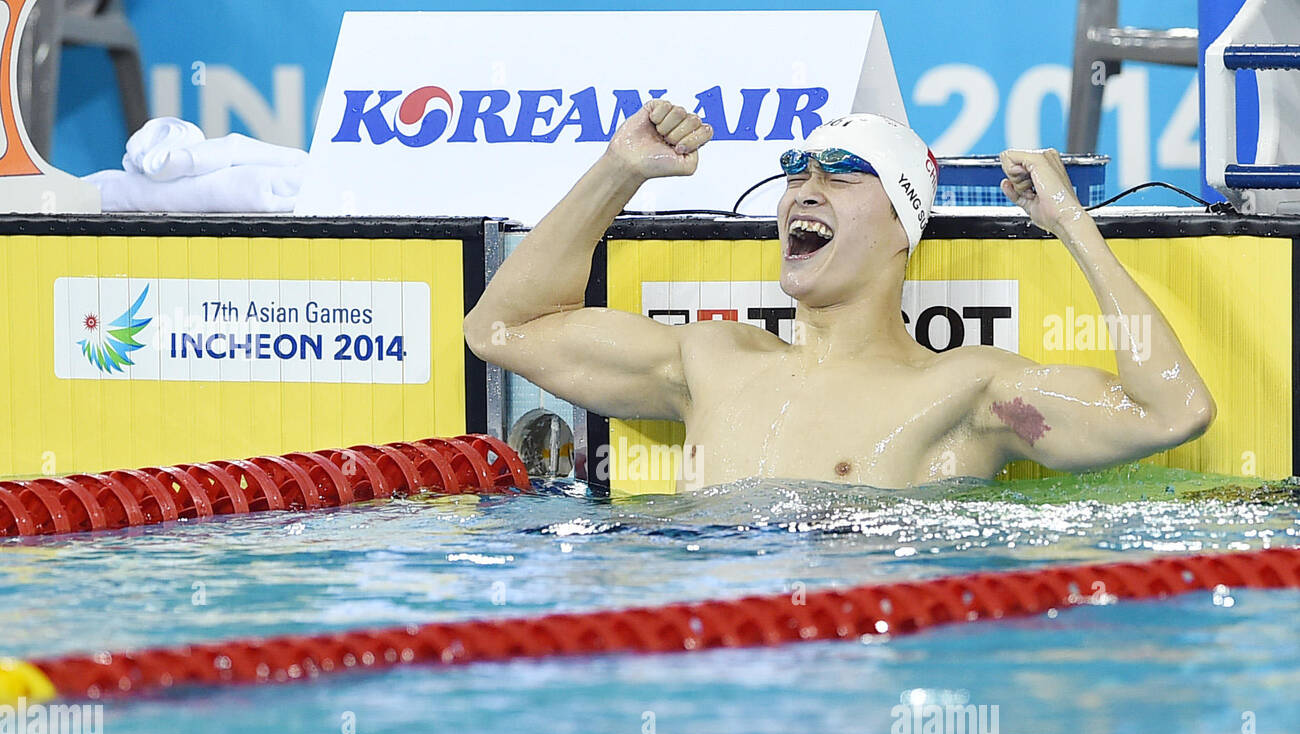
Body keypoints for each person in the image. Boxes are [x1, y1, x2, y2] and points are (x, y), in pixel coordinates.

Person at [463, 100, 1215, 489]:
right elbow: (502, 329)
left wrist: (1070, 223)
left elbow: (1171, 412)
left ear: (901, 229)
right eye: (796, 176)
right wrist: (619, 169)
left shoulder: (967, 391)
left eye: (840, 175)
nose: (804, 193)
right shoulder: (711, 358)